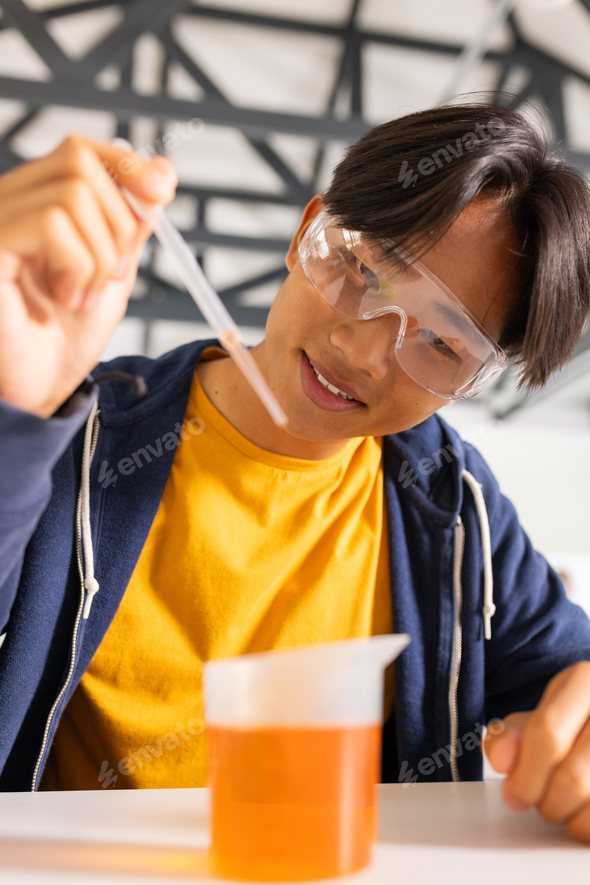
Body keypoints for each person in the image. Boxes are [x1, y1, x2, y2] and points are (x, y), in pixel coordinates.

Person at [1, 101, 590, 842]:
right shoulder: (69, 437)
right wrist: (14, 414)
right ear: (306, 231)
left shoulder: (450, 499)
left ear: (477, 377)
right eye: (363, 270)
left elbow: (564, 672)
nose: (364, 348)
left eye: (442, 344)